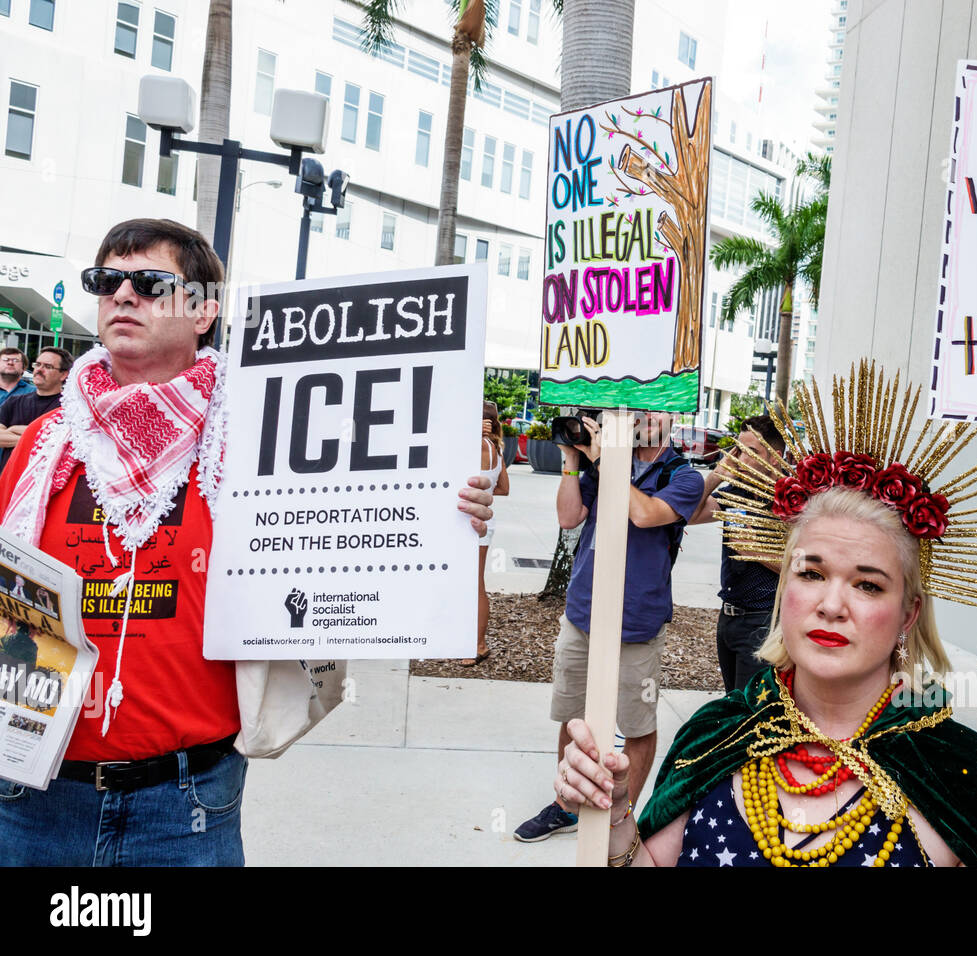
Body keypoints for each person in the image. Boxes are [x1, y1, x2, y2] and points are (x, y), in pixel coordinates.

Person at [0, 218, 497, 866]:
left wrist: (448, 514)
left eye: (149, 282)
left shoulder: (264, 445)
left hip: (184, 808)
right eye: (107, 280)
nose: (122, 295)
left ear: (205, 309)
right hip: (35, 802)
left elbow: (364, 530)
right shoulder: (45, 446)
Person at [554, 362, 977, 867]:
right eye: (810, 573)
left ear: (908, 613)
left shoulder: (960, 768)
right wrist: (617, 820)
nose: (832, 604)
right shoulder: (717, 734)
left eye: (868, 584)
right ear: (785, 589)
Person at [514, 409, 704, 842]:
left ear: (673, 417)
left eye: (653, 412)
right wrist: (570, 459)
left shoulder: (683, 476)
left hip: (638, 620)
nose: (642, 419)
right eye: (634, 412)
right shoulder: (602, 465)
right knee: (572, 715)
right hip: (583, 612)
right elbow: (567, 517)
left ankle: (621, 821)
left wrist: (605, 461)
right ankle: (567, 805)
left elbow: (644, 514)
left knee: (635, 723)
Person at [689, 414, 786, 692]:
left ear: (775, 457)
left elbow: (806, 569)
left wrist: (756, 551)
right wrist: (717, 475)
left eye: (751, 452)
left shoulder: (791, 502)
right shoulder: (736, 493)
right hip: (728, 618)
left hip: (765, 620)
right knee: (733, 702)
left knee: (750, 714)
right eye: (738, 450)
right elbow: (691, 514)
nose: (741, 458)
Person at [463, 400, 510, 666]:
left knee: (474, 583)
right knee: (473, 581)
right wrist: (486, 489)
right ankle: (473, 641)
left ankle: (478, 644)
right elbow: (503, 488)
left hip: (474, 523)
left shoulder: (479, 445)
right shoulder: (496, 449)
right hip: (481, 520)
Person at [0, 346, 71, 473]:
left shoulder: (68, 407)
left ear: (64, 374)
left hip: (42, 481)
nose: (39, 370)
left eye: (47, 366)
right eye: (37, 364)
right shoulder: (14, 402)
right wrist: (37, 438)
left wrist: (12, 430)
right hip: (8, 479)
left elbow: (58, 442)